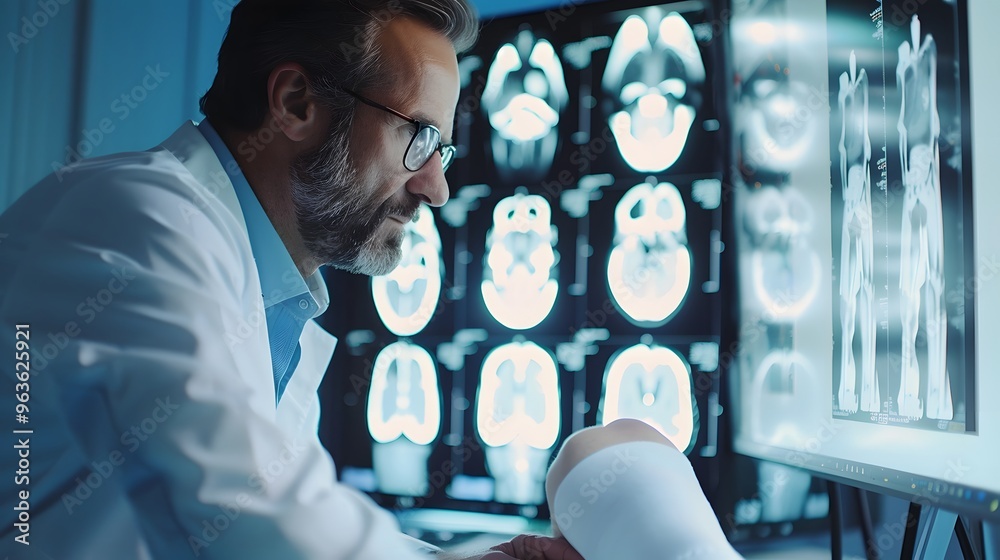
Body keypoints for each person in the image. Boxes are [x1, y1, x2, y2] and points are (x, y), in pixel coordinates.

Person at [0, 1, 742, 558]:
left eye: (443, 151)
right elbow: (250, 519)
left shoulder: (271, 301)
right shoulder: (135, 217)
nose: (436, 188)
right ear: (295, 103)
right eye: (419, 137)